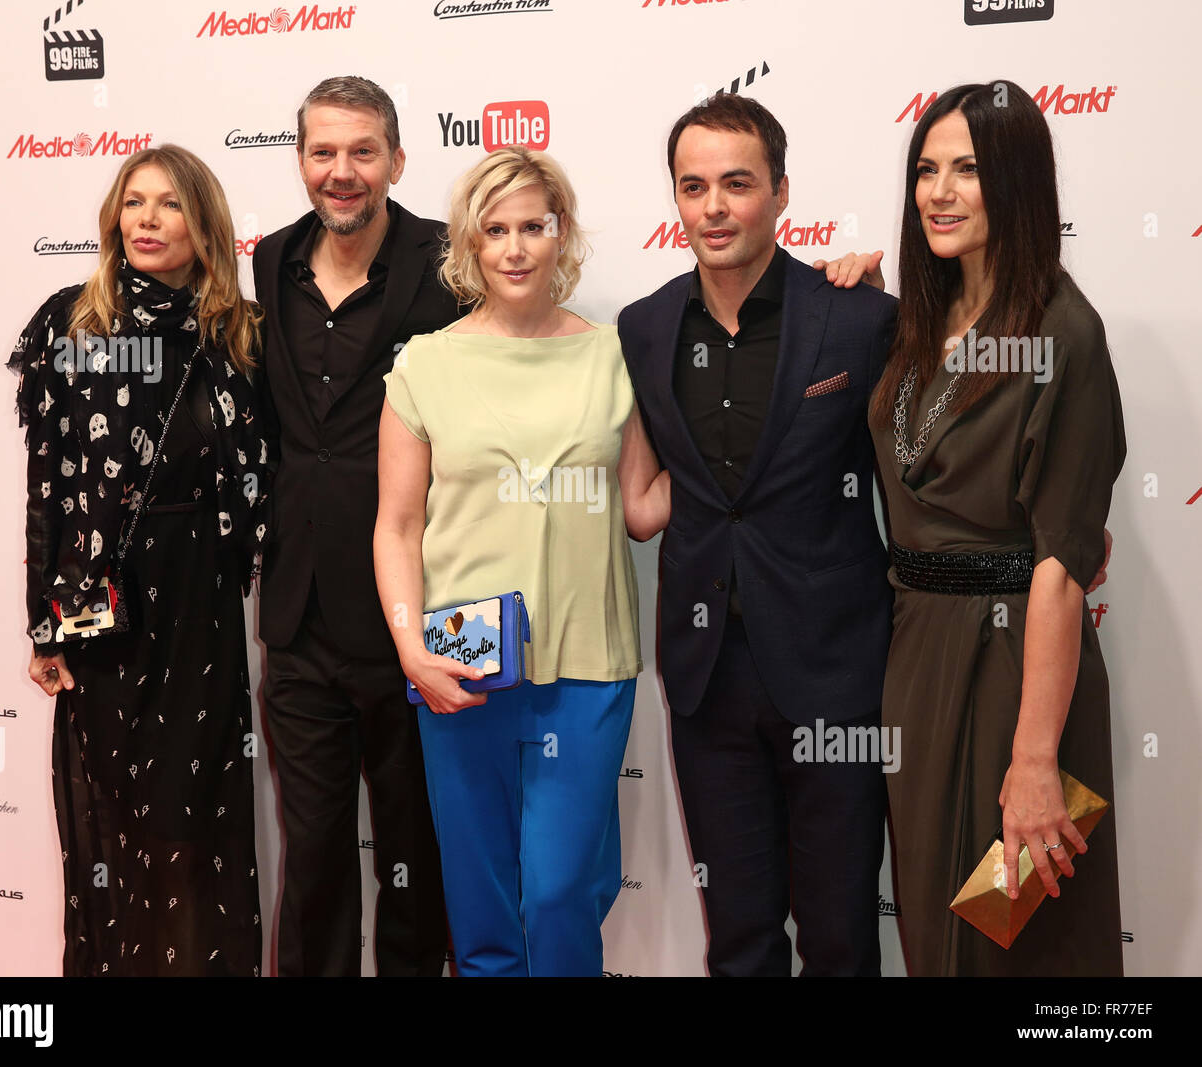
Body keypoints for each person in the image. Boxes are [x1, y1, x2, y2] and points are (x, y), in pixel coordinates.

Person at [617, 93, 897, 976]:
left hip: (835, 668)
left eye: (737, 183)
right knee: (737, 936)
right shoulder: (646, 326)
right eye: (694, 186)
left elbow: (925, 468)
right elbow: (654, 492)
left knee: (843, 932)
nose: (714, 206)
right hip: (707, 676)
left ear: (781, 192)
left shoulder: (856, 318)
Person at [374, 146, 670, 977]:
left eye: (531, 227)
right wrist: (410, 649)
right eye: (493, 230)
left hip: (587, 666)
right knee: (483, 907)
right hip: (460, 667)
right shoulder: (425, 364)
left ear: (560, 232)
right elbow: (395, 527)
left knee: (559, 892)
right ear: (468, 243)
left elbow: (643, 507)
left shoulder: (615, 355)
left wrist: (750, 448)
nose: (513, 248)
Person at [868, 80, 1125, 976]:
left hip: (1016, 662)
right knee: (942, 927)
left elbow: (1061, 563)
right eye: (927, 169)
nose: (938, 192)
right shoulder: (921, 317)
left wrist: (1035, 758)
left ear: (1018, 182)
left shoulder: (1065, 331)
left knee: (1015, 936)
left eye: (968, 170)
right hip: (918, 656)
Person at [12, 144, 270, 976]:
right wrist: (47, 625)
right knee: (115, 832)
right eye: (134, 203)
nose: (147, 221)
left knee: (195, 833)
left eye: (168, 205)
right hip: (104, 612)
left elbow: (264, 483)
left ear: (204, 226)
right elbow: (52, 487)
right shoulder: (75, 325)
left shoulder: (236, 334)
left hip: (201, 609)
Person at [250, 76, 452, 976]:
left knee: (416, 855)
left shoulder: (450, 262)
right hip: (297, 616)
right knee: (315, 855)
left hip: (414, 614)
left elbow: (539, 333)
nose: (342, 172)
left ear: (396, 160)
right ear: (299, 161)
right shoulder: (269, 262)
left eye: (362, 152)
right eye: (323, 152)